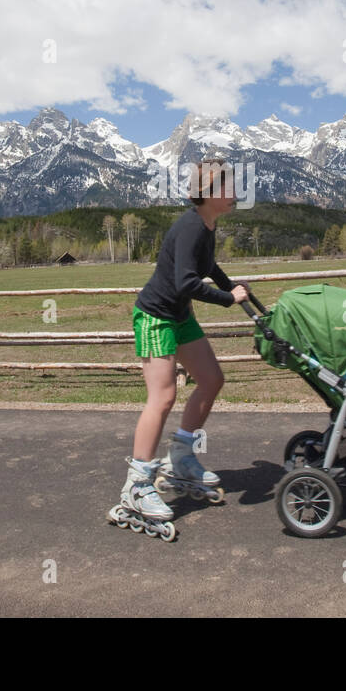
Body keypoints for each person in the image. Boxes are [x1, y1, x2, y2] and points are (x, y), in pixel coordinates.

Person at [115, 158, 250, 533]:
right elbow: (185, 282)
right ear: (209, 194)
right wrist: (228, 300)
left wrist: (232, 286)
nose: (235, 191)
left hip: (180, 316)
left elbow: (208, 266)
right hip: (157, 316)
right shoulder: (191, 226)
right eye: (228, 186)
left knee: (211, 380)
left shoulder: (208, 224)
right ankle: (137, 486)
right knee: (163, 397)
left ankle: (181, 455)